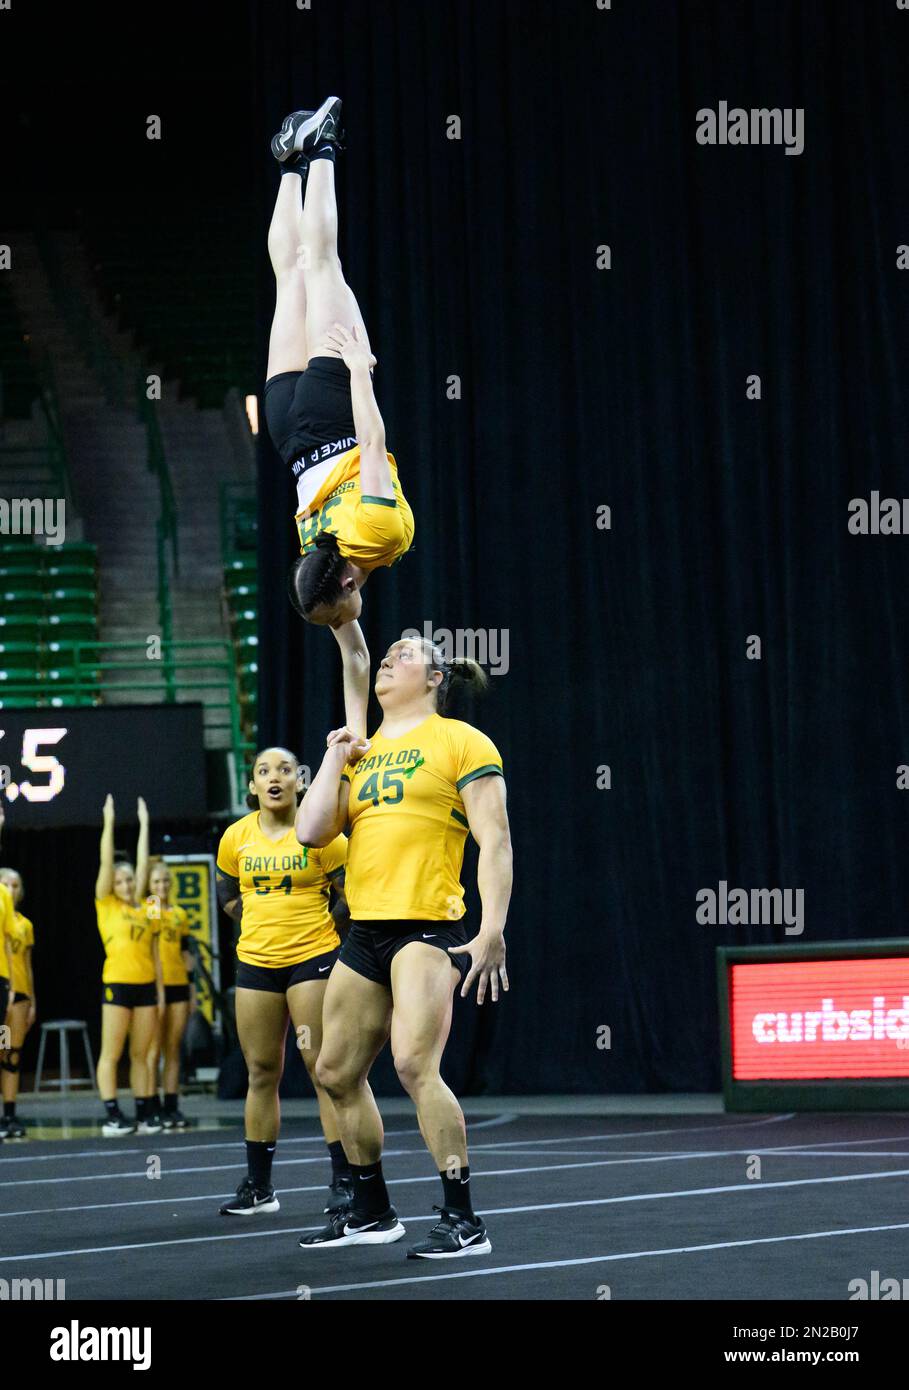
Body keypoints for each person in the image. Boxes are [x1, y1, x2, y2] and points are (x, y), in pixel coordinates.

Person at [296, 634, 513, 1259]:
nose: (391, 657)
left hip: (428, 927)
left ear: (436, 677)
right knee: (334, 1071)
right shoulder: (361, 752)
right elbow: (312, 832)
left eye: (407, 653)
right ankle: (371, 1211)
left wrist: (492, 928)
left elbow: (494, 840)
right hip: (365, 931)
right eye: (386, 652)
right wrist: (337, 755)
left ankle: (463, 1218)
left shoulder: (461, 741)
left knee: (416, 1067)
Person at [215, 618, 370, 1216]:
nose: (275, 777)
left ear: (302, 781)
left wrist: (313, 928)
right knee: (260, 1070)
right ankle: (259, 1186)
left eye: (285, 769)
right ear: (252, 785)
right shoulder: (235, 837)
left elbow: (348, 895)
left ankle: (343, 1180)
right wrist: (258, 923)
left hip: (312, 961)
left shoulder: (324, 834)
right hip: (256, 963)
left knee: (322, 1068)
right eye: (264, 771)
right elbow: (230, 891)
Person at [264, 96, 414, 627]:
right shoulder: (313, 548)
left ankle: (322, 146)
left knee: (323, 264)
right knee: (291, 277)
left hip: (334, 413)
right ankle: (288, 165)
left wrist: (357, 371)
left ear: (347, 584)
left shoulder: (377, 538)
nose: (345, 620)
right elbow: (354, 652)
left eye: (337, 615)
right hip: (287, 432)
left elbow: (372, 443)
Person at [95, 796, 164, 1137]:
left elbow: (143, 869)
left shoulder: (147, 908)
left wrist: (145, 825)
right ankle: (111, 1115)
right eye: (119, 881)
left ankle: (142, 1112)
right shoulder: (106, 904)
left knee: (141, 1054)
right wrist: (109, 822)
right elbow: (107, 863)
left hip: (146, 986)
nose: (124, 885)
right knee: (112, 1051)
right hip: (118, 984)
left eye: (128, 881)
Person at [137, 857, 193, 1130]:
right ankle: (151, 1104)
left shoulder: (180, 914)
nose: (162, 885)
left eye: (166, 881)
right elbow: (147, 947)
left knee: (173, 1048)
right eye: (157, 881)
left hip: (179, 985)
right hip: (154, 985)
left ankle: (171, 1105)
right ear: (149, 884)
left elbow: (185, 952)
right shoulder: (151, 908)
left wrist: (192, 989)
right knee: (153, 1048)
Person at [0, 864, 36, 1140]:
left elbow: (26, 962)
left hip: (21, 995)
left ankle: (9, 1114)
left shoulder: (25, 925)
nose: (10, 890)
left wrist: (32, 1001)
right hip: (4, 992)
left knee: (12, 1055)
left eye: (15, 885)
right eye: (5, 884)